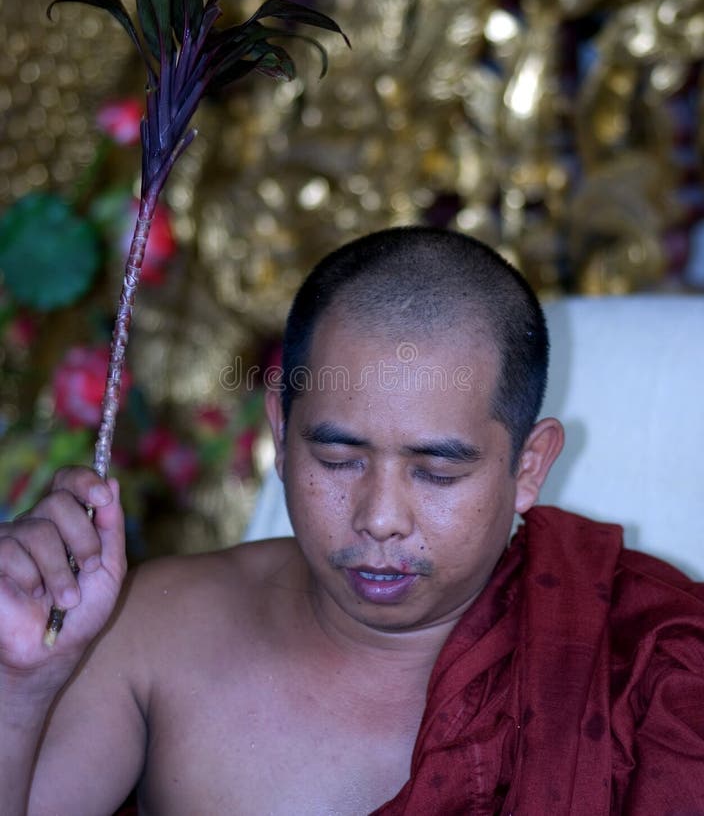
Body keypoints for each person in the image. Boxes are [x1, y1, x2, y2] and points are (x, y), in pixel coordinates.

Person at [1, 226, 703, 816]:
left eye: (438, 471)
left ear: (528, 467)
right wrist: (19, 685)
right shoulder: (155, 631)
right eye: (338, 459)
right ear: (282, 431)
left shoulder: (650, 661)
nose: (381, 519)